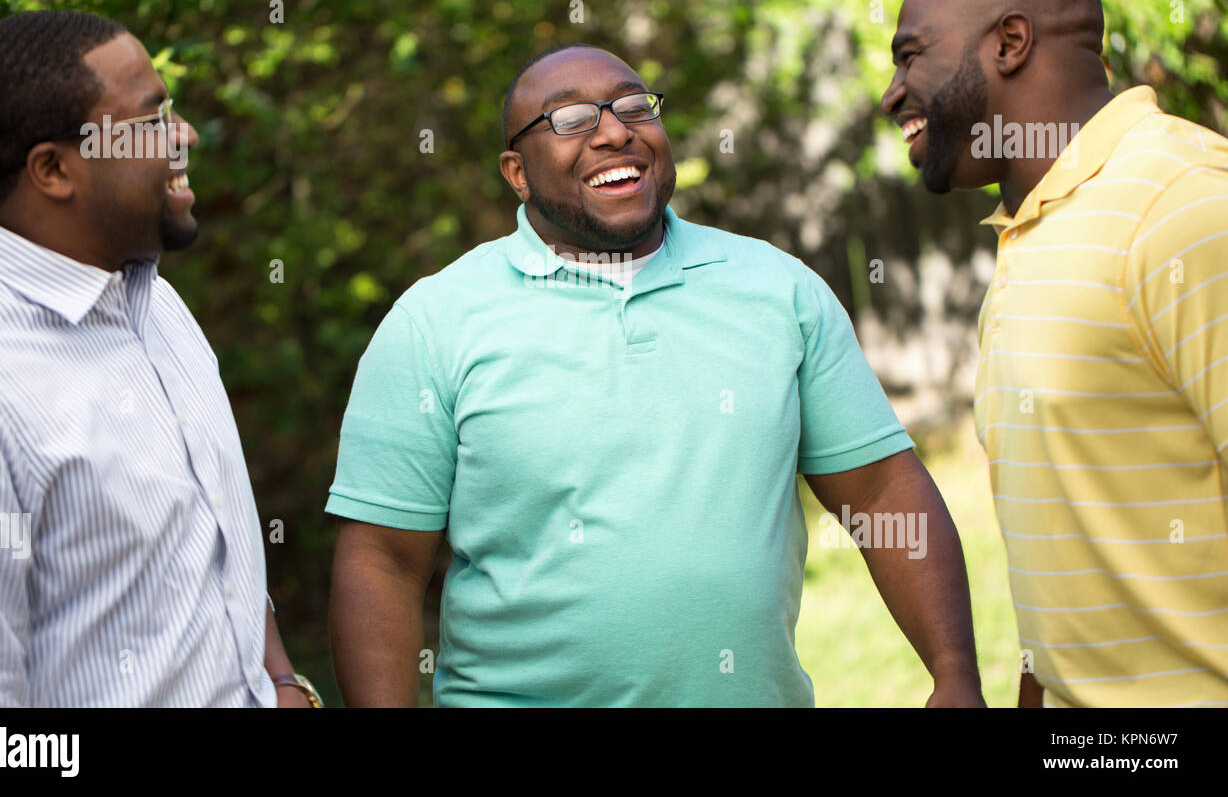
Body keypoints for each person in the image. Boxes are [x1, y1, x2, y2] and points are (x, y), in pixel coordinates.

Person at [327, 42, 984, 707]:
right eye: (570, 119)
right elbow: (382, 561)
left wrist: (954, 672)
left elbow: (879, 495)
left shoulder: (777, 288)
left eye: (634, 106)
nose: (615, 131)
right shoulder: (436, 321)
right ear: (516, 172)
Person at [0, 10, 315, 707]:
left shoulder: (153, 301)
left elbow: (212, 536)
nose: (186, 134)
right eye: (153, 118)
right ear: (53, 170)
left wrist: (283, 680)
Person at [881, 0, 1228, 707]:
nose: (893, 92)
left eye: (911, 57)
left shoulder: (1186, 208)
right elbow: (1072, 532)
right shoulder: (1033, 230)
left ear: (1009, 43)